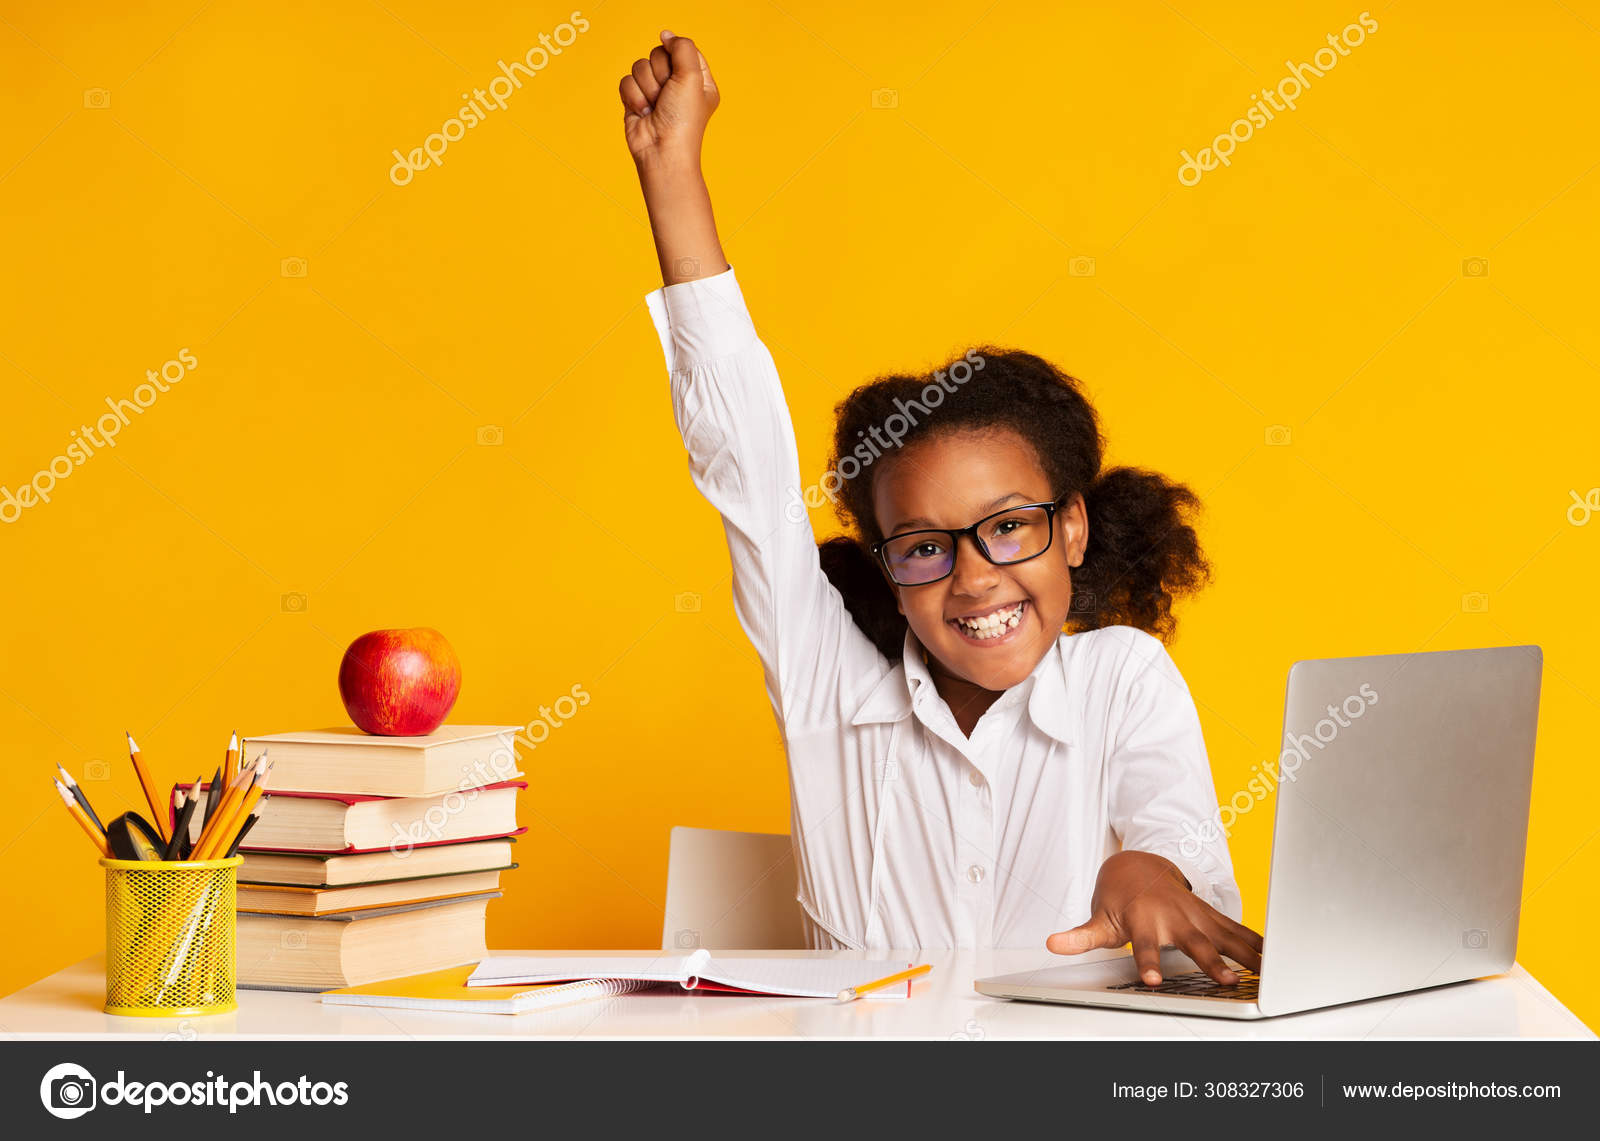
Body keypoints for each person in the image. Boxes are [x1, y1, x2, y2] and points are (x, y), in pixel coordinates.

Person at [621, 31, 1263, 985]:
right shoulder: (826, 686)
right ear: (886, 563)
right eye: (924, 545)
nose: (973, 577)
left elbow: (1178, 844)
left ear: (1071, 526)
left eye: (1009, 527)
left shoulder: (1120, 678)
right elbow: (745, 470)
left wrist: (1147, 869)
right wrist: (671, 173)